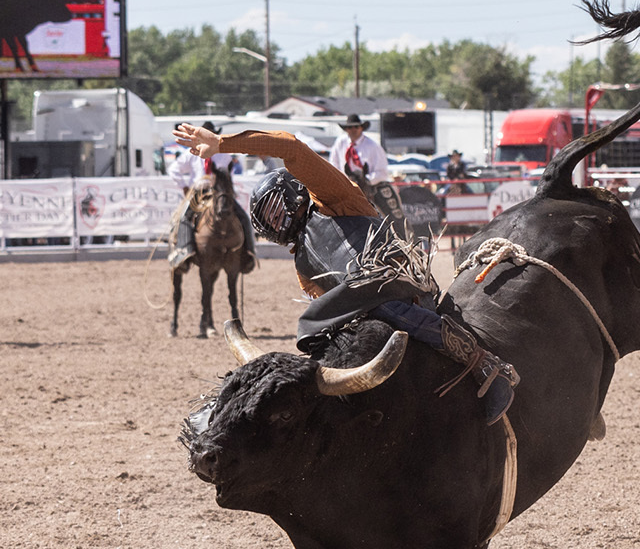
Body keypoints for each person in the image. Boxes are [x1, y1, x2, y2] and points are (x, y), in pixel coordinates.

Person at [173, 122, 518, 424]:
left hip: (397, 287)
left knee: (380, 307)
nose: (278, 224)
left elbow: (290, 147)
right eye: (271, 222)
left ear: (294, 196)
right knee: (321, 339)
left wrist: (223, 144)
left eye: (278, 213)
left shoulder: (335, 198)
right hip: (360, 310)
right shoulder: (303, 266)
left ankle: (483, 363)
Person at [166, 121, 256, 274]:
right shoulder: (192, 153)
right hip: (199, 192)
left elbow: (228, 175)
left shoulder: (223, 154)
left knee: (243, 217)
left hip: (220, 192)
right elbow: (174, 169)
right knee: (183, 218)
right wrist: (185, 186)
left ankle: (248, 254)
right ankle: (184, 251)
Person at [328, 114, 389, 188]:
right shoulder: (340, 143)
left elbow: (382, 172)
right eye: (350, 127)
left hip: (368, 185)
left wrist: (366, 180)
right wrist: (341, 179)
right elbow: (333, 163)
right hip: (344, 185)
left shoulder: (373, 146)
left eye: (356, 127)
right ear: (346, 129)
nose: (353, 130)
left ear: (361, 128)